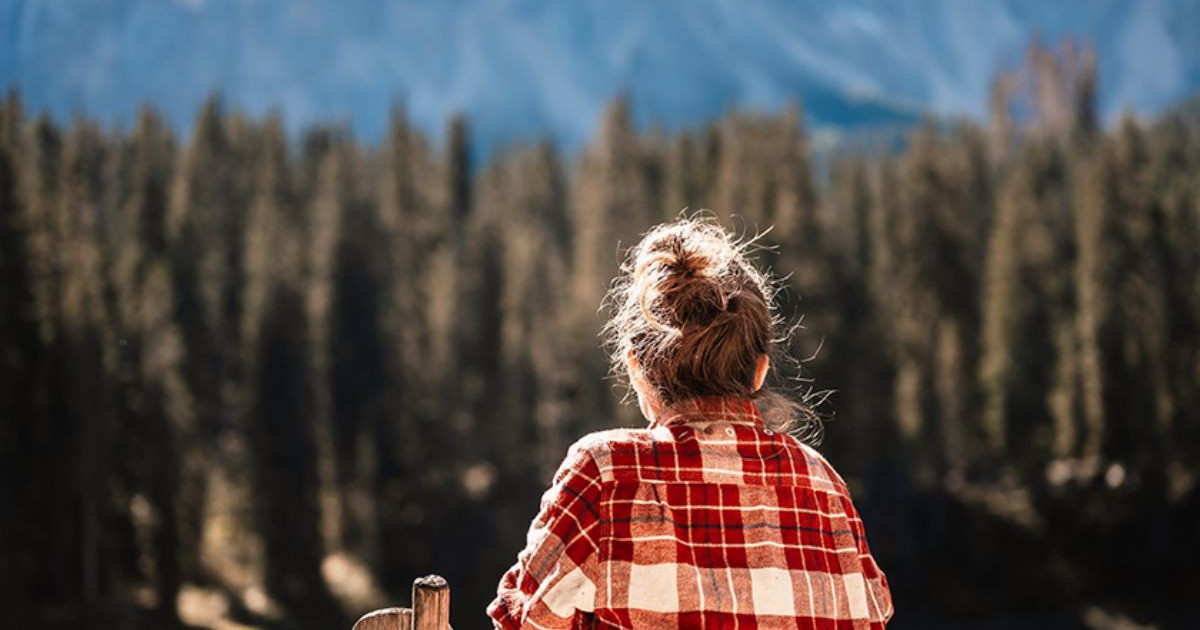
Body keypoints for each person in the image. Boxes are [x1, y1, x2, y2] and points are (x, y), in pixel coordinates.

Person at [487, 217, 893, 629]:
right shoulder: (824, 487)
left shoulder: (607, 474)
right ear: (759, 372)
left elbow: (524, 622)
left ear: (636, 371)